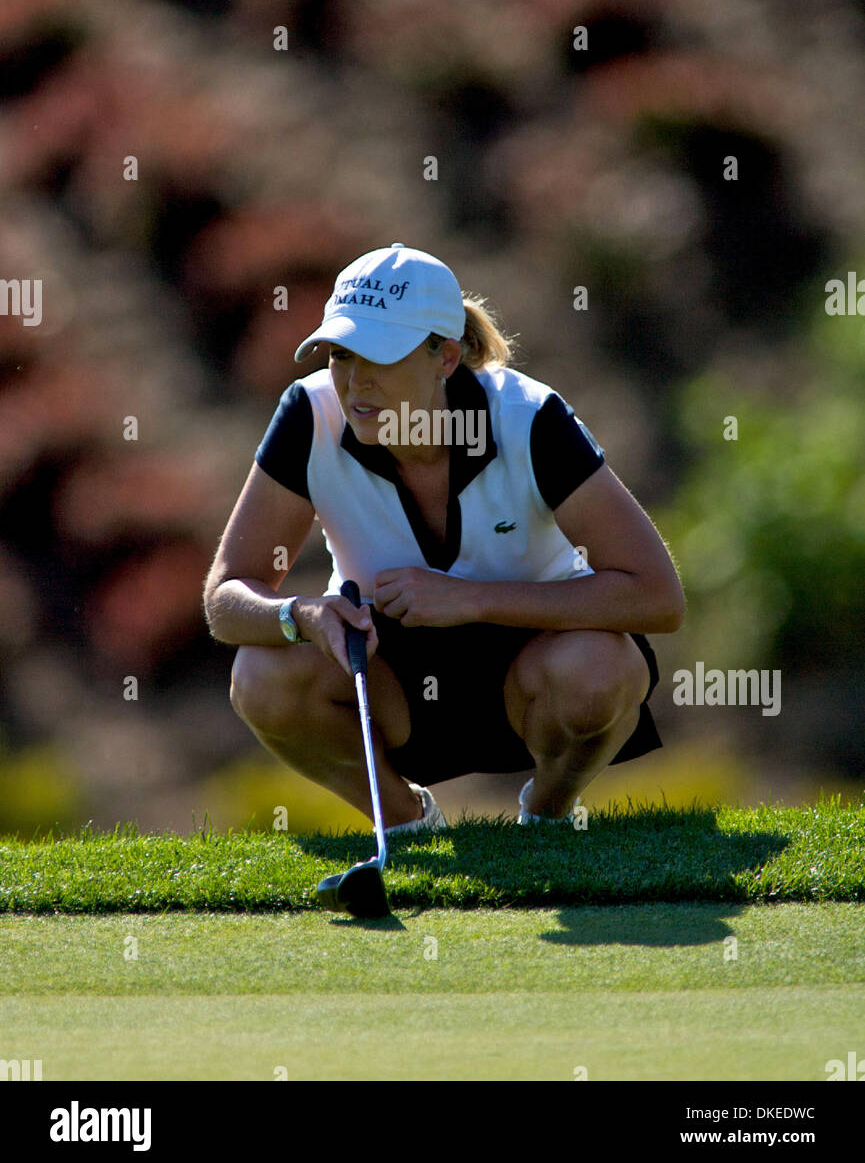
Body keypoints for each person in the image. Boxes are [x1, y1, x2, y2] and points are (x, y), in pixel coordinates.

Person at [203, 243, 685, 834]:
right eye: (340, 356)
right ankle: (406, 826)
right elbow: (226, 597)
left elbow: (657, 596)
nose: (354, 383)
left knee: (600, 669)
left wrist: (473, 599)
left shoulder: (530, 418)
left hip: (537, 669)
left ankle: (548, 815)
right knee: (258, 675)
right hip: (390, 676)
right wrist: (300, 615)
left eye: (378, 358)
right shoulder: (309, 415)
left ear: (446, 356)